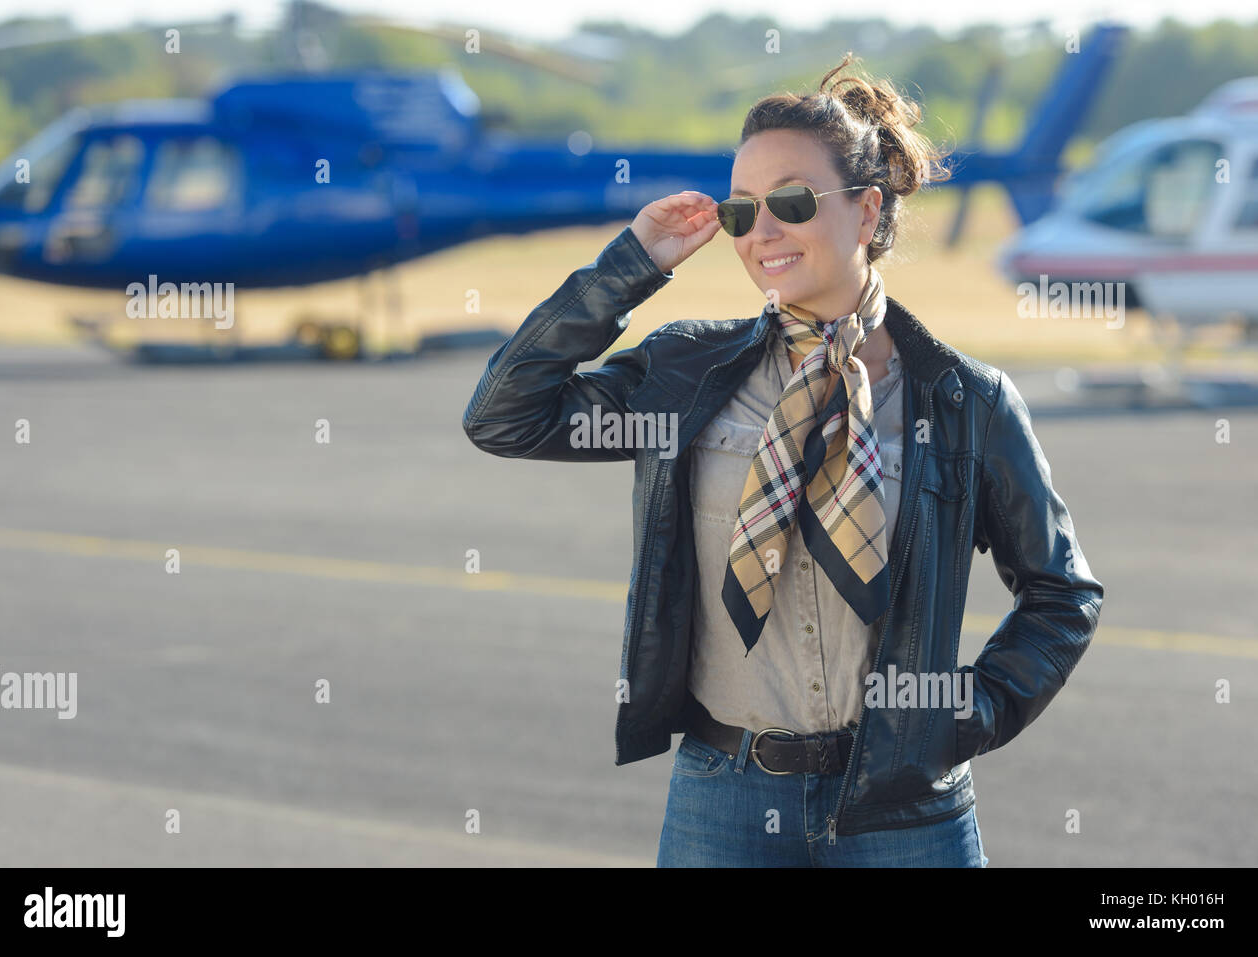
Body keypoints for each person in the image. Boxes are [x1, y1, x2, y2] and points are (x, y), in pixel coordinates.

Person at [463, 55, 1103, 867]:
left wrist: (965, 713)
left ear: (867, 211)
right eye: (741, 211)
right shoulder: (687, 373)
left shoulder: (965, 399)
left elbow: (1062, 591)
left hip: (904, 810)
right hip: (722, 798)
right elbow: (504, 416)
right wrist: (632, 264)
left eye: (793, 204)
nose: (762, 232)